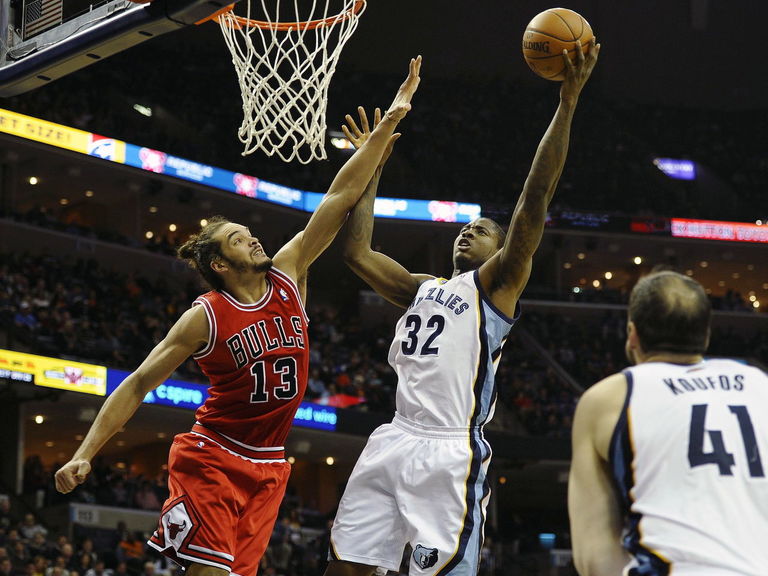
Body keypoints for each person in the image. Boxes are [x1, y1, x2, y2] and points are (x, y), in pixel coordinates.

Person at [53, 56, 422, 576]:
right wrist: (85, 453)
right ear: (221, 264)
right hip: (213, 457)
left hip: (270, 465)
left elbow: (338, 198)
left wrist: (387, 127)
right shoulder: (205, 316)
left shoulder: (289, 272)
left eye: (247, 232)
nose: (252, 236)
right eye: (237, 239)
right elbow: (136, 384)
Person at [325, 40, 599, 575]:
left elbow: (533, 202)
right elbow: (356, 252)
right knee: (344, 568)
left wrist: (566, 103)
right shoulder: (422, 287)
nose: (467, 232)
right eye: (463, 228)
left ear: (503, 251)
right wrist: (373, 161)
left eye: (481, 230)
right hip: (393, 436)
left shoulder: (496, 288)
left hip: (449, 452)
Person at [568, 271, 768, 576]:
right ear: (706, 335)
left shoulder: (609, 397)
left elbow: (594, 558)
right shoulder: (759, 383)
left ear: (632, 335)